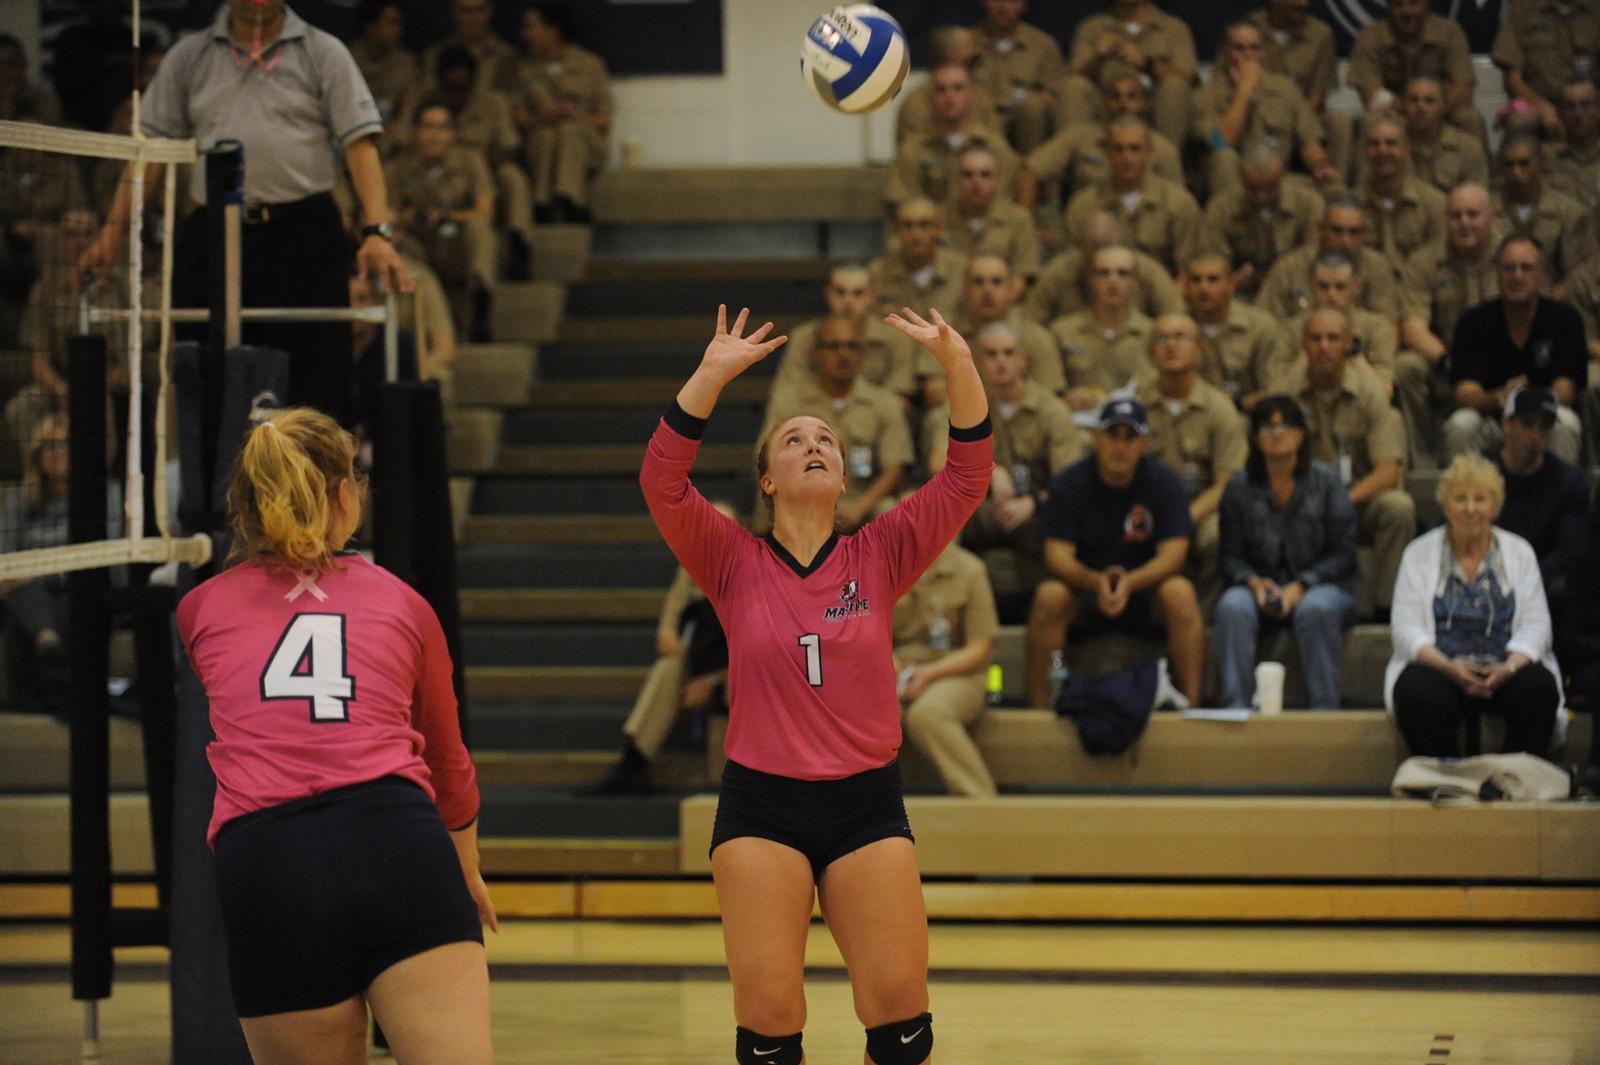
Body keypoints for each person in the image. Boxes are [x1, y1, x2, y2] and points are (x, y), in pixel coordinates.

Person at [640, 303, 991, 1065]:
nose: (816, 444)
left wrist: (959, 365)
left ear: (842, 473)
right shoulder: (731, 560)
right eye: (795, 439)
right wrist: (710, 376)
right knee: (769, 1024)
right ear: (768, 478)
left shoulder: (882, 551)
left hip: (864, 800)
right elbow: (662, 480)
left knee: (903, 1026)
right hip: (763, 802)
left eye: (827, 438)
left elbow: (968, 475)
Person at [176, 407, 495, 1065]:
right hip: (395, 839)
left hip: (267, 859)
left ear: (248, 504)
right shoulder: (405, 603)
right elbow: (448, 763)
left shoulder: (198, 609)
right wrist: (463, 865)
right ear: (346, 495)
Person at [84, 0, 412, 426]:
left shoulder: (323, 52)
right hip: (214, 236)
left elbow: (360, 148)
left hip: (302, 234)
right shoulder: (189, 57)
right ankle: (212, 490)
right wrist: (110, 236)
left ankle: (313, 488)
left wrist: (376, 232)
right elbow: (148, 157)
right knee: (206, 375)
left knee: (315, 384)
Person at [1027, 397, 1205, 709]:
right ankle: (1040, 709)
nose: (1120, 447)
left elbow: (1174, 554)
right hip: (1084, 594)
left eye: (1130, 437)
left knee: (1181, 592)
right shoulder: (1069, 483)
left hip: (1145, 595)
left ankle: (1191, 707)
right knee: (1049, 596)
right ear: (1095, 438)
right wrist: (1097, 582)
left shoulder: (1164, 482)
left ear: (1145, 443)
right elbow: (1057, 555)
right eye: (1112, 436)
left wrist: (1130, 582)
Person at [1386, 453, 1563, 758]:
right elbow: (1405, 628)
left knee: (1539, 687)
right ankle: (1446, 779)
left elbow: (1538, 625)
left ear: (1495, 506)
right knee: (1414, 689)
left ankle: (1513, 780)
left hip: (1504, 669)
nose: (1470, 509)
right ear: (1445, 505)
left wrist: (1508, 668)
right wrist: (1448, 667)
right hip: (1443, 668)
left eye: (1480, 499)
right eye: (1460, 499)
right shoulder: (1418, 552)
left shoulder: (1520, 552)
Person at [925, 321, 1082, 616]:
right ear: (979, 360)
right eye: (992, 354)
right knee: (934, 512)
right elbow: (937, 463)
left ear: (1022, 358)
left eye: (1008, 353)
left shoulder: (1051, 410)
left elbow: (1070, 482)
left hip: (1032, 509)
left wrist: (1033, 503)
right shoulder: (961, 400)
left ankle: (1062, 608)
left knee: (1060, 519)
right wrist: (990, 472)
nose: (1001, 362)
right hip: (975, 508)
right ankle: (941, 612)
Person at [1215, 394, 1359, 709]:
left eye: (1285, 425)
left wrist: (1302, 584)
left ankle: (1324, 712)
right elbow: (1230, 555)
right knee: (1232, 606)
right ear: (1255, 438)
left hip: (1323, 586)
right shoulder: (1238, 488)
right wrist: (1252, 582)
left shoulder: (1328, 482)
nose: (1277, 433)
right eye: (1267, 427)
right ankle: (1233, 708)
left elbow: (1343, 554)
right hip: (1258, 585)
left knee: (1315, 609)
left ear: (1301, 433)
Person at [589, 503, 738, 796]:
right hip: (702, 667)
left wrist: (710, 680)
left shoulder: (751, 572)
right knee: (668, 668)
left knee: (743, 676)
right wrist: (697, 670)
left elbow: (761, 651)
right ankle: (633, 762)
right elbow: (666, 637)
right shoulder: (690, 570)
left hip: (736, 676)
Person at [1284, 308, 1415, 618]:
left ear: (1348, 344)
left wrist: (1341, 499)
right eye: (1316, 338)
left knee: (1399, 507)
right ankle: (1284, 601)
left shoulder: (1370, 393)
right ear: (1304, 345)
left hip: (1357, 502)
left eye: (1333, 338)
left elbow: (1388, 471)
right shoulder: (1288, 394)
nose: (1324, 347)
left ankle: (1387, 610)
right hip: (1302, 502)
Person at [0, 415, 121, 715]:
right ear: (37, 456)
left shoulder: (105, 494)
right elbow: (4, 558)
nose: (56, 453)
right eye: (48, 446)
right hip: (26, 591)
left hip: (83, 590)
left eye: (65, 445)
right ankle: (31, 699)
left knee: (48, 606)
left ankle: (49, 652)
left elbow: (104, 560)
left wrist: (37, 571)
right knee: (20, 602)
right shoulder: (20, 499)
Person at [758, 315, 915, 533]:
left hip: (859, 503)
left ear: (863, 352)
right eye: (834, 346)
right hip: (801, 498)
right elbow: (768, 456)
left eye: (852, 346)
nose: (843, 354)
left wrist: (860, 507)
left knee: (889, 509)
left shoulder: (884, 403)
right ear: (817, 352)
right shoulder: (790, 400)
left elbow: (895, 467)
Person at [1136, 314, 1249, 607]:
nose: (1170, 345)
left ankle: (1207, 616)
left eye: (1180, 337)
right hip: (1145, 507)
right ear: (1150, 352)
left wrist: (1184, 517)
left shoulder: (1220, 409)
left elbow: (1229, 481)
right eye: (1162, 338)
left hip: (1201, 509)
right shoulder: (1136, 406)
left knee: (1219, 533)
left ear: (1200, 349)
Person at [1445, 236, 1587, 465]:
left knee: (1567, 421)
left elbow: (1566, 391)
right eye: (1508, 268)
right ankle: (1466, 496)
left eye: (1527, 268)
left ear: (1541, 276)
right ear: (1497, 274)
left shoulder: (1565, 320)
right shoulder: (1473, 321)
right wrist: (1498, 398)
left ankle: (1559, 498)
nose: (1517, 276)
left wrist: (1524, 399)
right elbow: (1464, 392)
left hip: (1542, 417)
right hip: (1491, 418)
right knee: (1461, 424)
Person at [1396, 182, 1501, 467]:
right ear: (1445, 220)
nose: (1464, 223)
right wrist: (1450, 360)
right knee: (1406, 366)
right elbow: (1413, 328)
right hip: (1447, 365)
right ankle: (1424, 464)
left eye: (1472, 214)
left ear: (1492, 217)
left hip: (1506, 365)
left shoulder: (1512, 257)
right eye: (1455, 216)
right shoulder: (1424, 261)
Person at [895, 542, 1001, 797]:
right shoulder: (877, 567)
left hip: (957, 672)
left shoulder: (970, 569)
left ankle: (983, 805)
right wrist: (889, 665)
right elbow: (862, 632)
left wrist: (928, 675)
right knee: (871, 712)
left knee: (929, 714)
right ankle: (852, 813)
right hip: (888, 669)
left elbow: (980, 649)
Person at [386, 98, 497, 338]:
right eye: (427, 127)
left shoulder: (470, 161)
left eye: (442, 128)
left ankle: (481, 300)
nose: (434, 136)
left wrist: (445, 216)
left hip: (453, 238)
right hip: (417, 243)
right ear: (416, 132)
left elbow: (485, 211)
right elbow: (385, 215)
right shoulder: (398, 167)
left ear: (453, 133)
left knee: (478, 228)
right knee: (391, 241)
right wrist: (405, 216)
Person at [1190, 20, 1333, 196]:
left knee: (1331, 184)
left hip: (1279, 176)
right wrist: (1244, 92)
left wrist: (1320, 165)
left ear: (1263, 53)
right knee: (1223, 157)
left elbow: (1309, 140)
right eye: (1239, 48)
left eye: (1254, 48)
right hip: (1234, 180)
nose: (1248, 55)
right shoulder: (1204, 95)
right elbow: (1220, 141)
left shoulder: (1285, 88)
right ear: (1226, 52)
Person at [1488, 385, 1590, 630]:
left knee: (1567, 586)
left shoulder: (1571, 481)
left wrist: (1523, 580)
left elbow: (1570, 551)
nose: (1536, 434)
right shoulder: (1481, 474)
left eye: (1545, 426)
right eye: (1528, 423)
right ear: (1507, 424)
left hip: (1543, 583)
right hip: (1485, 578)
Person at [1018, 65, 1183, 214]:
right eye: (1115, 96)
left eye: (1132, 97)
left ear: (1144, 103)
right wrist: (1028, 230)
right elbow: (1030, 171)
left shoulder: (1164, 149)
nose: (1123, 103)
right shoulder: (1078, 136)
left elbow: (1179, 204)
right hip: (1085, 229)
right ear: (1105, 102)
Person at [769, 264, 926, 415]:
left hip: (872, 421)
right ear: (828, 295)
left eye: (858, 293)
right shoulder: (804, 336)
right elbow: (788, 390)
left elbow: (899, 396)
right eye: (840, 292)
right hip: (814, 416)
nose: (848, 301)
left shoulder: (895, 338)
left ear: (872, 296)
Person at [1062, 116, 1205, 276]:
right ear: (1106, 152)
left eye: (1135, 148)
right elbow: (1072, 271)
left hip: (1162, 296)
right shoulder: (1083, 206)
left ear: (1149, 152)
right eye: (1118, 149)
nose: (1127, 157)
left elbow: (1188, 274)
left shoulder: (1179, 204)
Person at [516, 3, 613, 224]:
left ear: (552, 30)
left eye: (532, 27)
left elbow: (604, 120)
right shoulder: (526, 69)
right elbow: (519, 117)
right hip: (542, 142)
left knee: (569, 132)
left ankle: (568, 200)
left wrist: (573, 117)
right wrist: (546, 117)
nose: (526, 34)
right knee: (547, 136)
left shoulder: (589, 64)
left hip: (586, 142)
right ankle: (542, 206)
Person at [1062, 0, 1197, 148]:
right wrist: (1097, 58)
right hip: (1106, 111)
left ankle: (1165, 162)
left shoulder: (1174, 28)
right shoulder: (1091, 27)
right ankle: (1080, 162)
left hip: (1154, 111)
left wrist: (1147, 64)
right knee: (1074, 86)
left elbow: (1190, 80)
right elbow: (1073, 76)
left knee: (1175, 85)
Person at [1346, 0, 1482, 142]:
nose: (1406, 11)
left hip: (1443, 113)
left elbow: (1463, 88)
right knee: (1367, 120)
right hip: (1393, 114)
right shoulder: (1371, 36)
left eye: (1413, 3)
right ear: (1388, 6)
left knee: (1470, 119)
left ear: (1427, 4)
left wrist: (1431, 111)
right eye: (1398, 4)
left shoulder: (1450, 33)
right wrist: (1412, 111)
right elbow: (1370, 94)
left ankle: (1476, 164)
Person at [1202, 144, 1324, 302]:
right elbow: (1212, 261)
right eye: (1253, 189)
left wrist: (1282, 274)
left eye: (1270, 188)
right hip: (1239, 293)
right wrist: (1233, 279)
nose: (1262, 197)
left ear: (1283, 175)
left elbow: (1312, 256)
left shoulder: (1309, 204)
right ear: (1241, 178)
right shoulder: (1221, 209)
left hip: (1295, 288)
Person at [888, 64, 1018, 208]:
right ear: (931, 98)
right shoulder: (913, 150)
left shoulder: (995, 148)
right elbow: (903, 204)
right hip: (932, 227)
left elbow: (1004, 206)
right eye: (941, 90)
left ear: (971, 95)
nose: (950, 97)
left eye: (958, 88)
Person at [1023, 209, 1183, 325]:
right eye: (1093, 257)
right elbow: (1031, 322)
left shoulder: (1147, 272)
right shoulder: (1059, 272)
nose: (1101, 262)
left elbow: (1175, 317)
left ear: (1120, 243)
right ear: (1081, 247)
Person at [1257, 196, 1399, 320]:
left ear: (1365, 234)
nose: (1345, 241)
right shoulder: (1290, 267)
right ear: (1321, 228)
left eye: (1354, 232)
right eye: (1337, 231)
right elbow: (1266, 321)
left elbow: (1389, 326)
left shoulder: (1377, 266)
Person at [1278, 251, 1398, 398]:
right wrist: (1310, 350)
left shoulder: (1376, 328)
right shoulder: (1291, 329)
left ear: (1356, 285)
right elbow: (1278, 394)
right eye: (1323, 287)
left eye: (1340, 287)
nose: (1331, 295)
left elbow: (1384, 393)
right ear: (1311, 284)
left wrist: (1353, 352)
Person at [1048, 244, 1152, 413]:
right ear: (1091, 280)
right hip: (1078, 426)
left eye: (1122, 273)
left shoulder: (1151, 333)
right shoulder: (1062, 332)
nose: (1113, 281)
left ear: (1135, 281)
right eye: (1103, 273)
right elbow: (1047, 393)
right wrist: (1066, 397)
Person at [1180, 248, 1284, 409]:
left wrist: (1236, 405)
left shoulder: (1261, 326)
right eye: (1196, 280)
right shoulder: (1175, 328)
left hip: (1247, 417)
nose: (1204, 287)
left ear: (1230, 284)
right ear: (1185, 286)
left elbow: (1274, 388)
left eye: (1213, 279)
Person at [952, 254, 1065, 395]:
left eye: (997, 282)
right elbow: (936, 391)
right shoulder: (949, 335)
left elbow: (1049, 395)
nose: (987, 290)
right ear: (966, 291)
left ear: (1011, 289)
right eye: (978, 282)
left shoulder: (1037, 338)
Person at [1354, 113, 1447, 275]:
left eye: (1391, 143)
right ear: (1364, 150)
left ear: (1406, 149)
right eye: (1374, 144)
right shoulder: (1351, 205)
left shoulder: (1434, 202)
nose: (1382, 151)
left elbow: (1442, 260)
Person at [1492, 0, 1600, 139]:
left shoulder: (1595, 8)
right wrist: (1543, 107)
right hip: (1539, 102)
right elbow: (1512, 79)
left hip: (1590, 101)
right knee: (1520, 122)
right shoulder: (1521, 8)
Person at [1495, 133, 1591, 287]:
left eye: (1524, 164)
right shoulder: (1487, 211)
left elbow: (1577, 274)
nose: (1516, 172)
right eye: (1509, 165)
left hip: (1552, 301)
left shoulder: (1569, 212)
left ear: (1541, 162)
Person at [972, 0, 1064, 153]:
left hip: (1028, 125)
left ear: (1025, 4)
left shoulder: (1043, 45)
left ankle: (1029, 171)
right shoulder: (968, 44)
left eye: (1012, 1)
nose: (1003, 7)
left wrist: (1042, 98)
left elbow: (1055, 93)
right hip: (984, 120)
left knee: (1033, 106)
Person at [941, 147, 1042, 282]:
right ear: (957, 180)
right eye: (968, 175)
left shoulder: (1019, 220)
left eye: (985, 175)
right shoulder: (938, 218)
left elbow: (1022, 276)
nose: (976, 182)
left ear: (998, 181)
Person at [894, 26, 999, 145]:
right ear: (952, 56)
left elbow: (996, 145)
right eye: (970, 49)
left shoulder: (980, 97)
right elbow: (910, 153)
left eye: (958, 88)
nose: (976, 53)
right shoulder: (917, 104)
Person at [869, 198, 967, 320]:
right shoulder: (879, 272)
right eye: (907, 225)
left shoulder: (961, 270)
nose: (915, 234)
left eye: (924, 225)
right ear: (896, 230)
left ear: (939, 229)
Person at [1399, 76, 1488, 197]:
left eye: (1429, 101)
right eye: (1413, 100)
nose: (1420, 107)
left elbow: (1478, 200)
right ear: (1404, 105)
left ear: (1443, 106)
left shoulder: (1469, 148)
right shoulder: (1390, 146)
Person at [349, 0, 418, 124]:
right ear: (371, 26)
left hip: (392, 135)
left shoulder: (407, 65)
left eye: (399, 24)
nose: (398, 30)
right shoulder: (348, 59)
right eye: (392, 23)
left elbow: (408, 114)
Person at [1547, 80, 1600, 215]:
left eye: (1585, 105)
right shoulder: (1543, 160)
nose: (1578, 114)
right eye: (1570, 107)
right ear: (1559, 113)